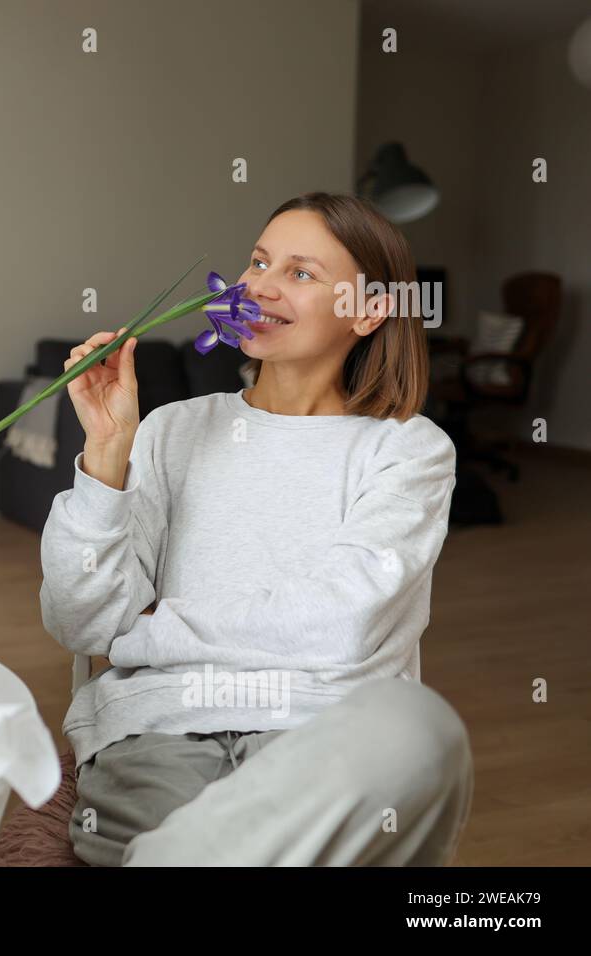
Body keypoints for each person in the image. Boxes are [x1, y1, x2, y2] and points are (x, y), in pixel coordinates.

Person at [41, 192, 473, 866]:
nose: (260, 286)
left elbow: (343, 626)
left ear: (368, 310)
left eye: (301, 274)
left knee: (423, 730)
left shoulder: (408, 450)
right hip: (161, 723)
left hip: (323, 724)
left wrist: (152, 633)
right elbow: (82, 623)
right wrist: (105, 454)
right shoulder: (171, 430)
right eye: (258, 261)